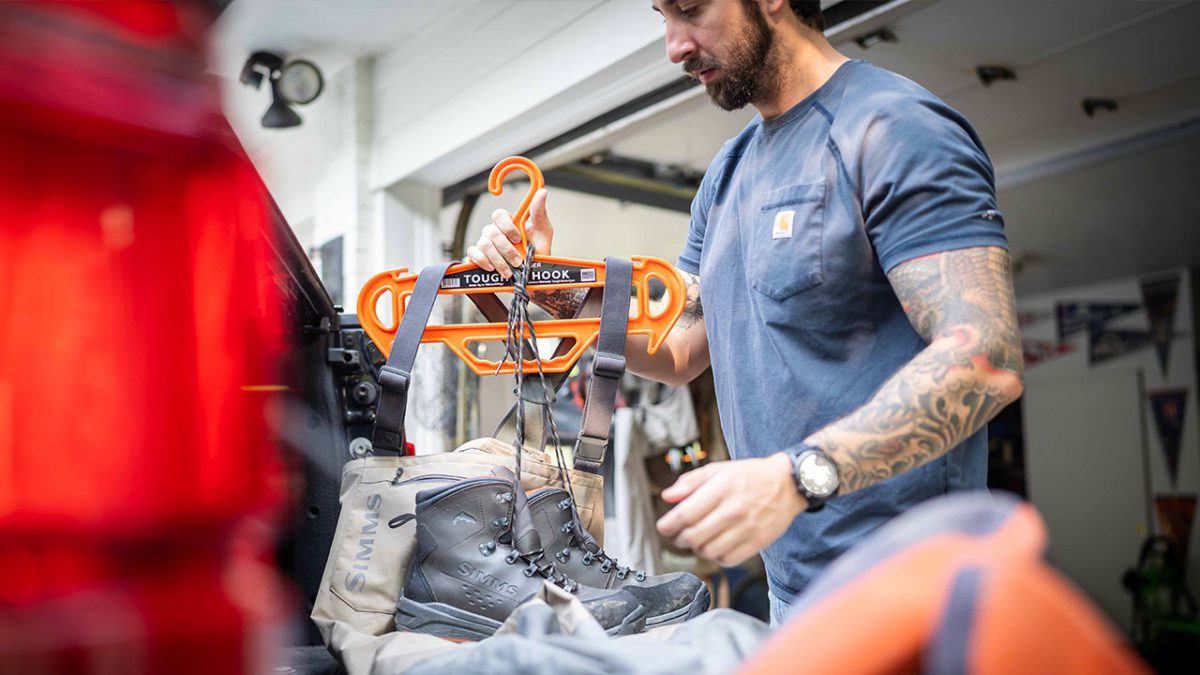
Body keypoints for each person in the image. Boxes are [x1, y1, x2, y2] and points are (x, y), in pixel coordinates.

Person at [468, 0, 1024, 625]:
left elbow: (986, 358)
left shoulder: (894, 128)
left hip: (919, 591)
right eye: (662, 17)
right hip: (795, 591)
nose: (675, 47)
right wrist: (547, 281)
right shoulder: (729, 173)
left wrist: (798, 477)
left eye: (690, 9)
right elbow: (678, 351)